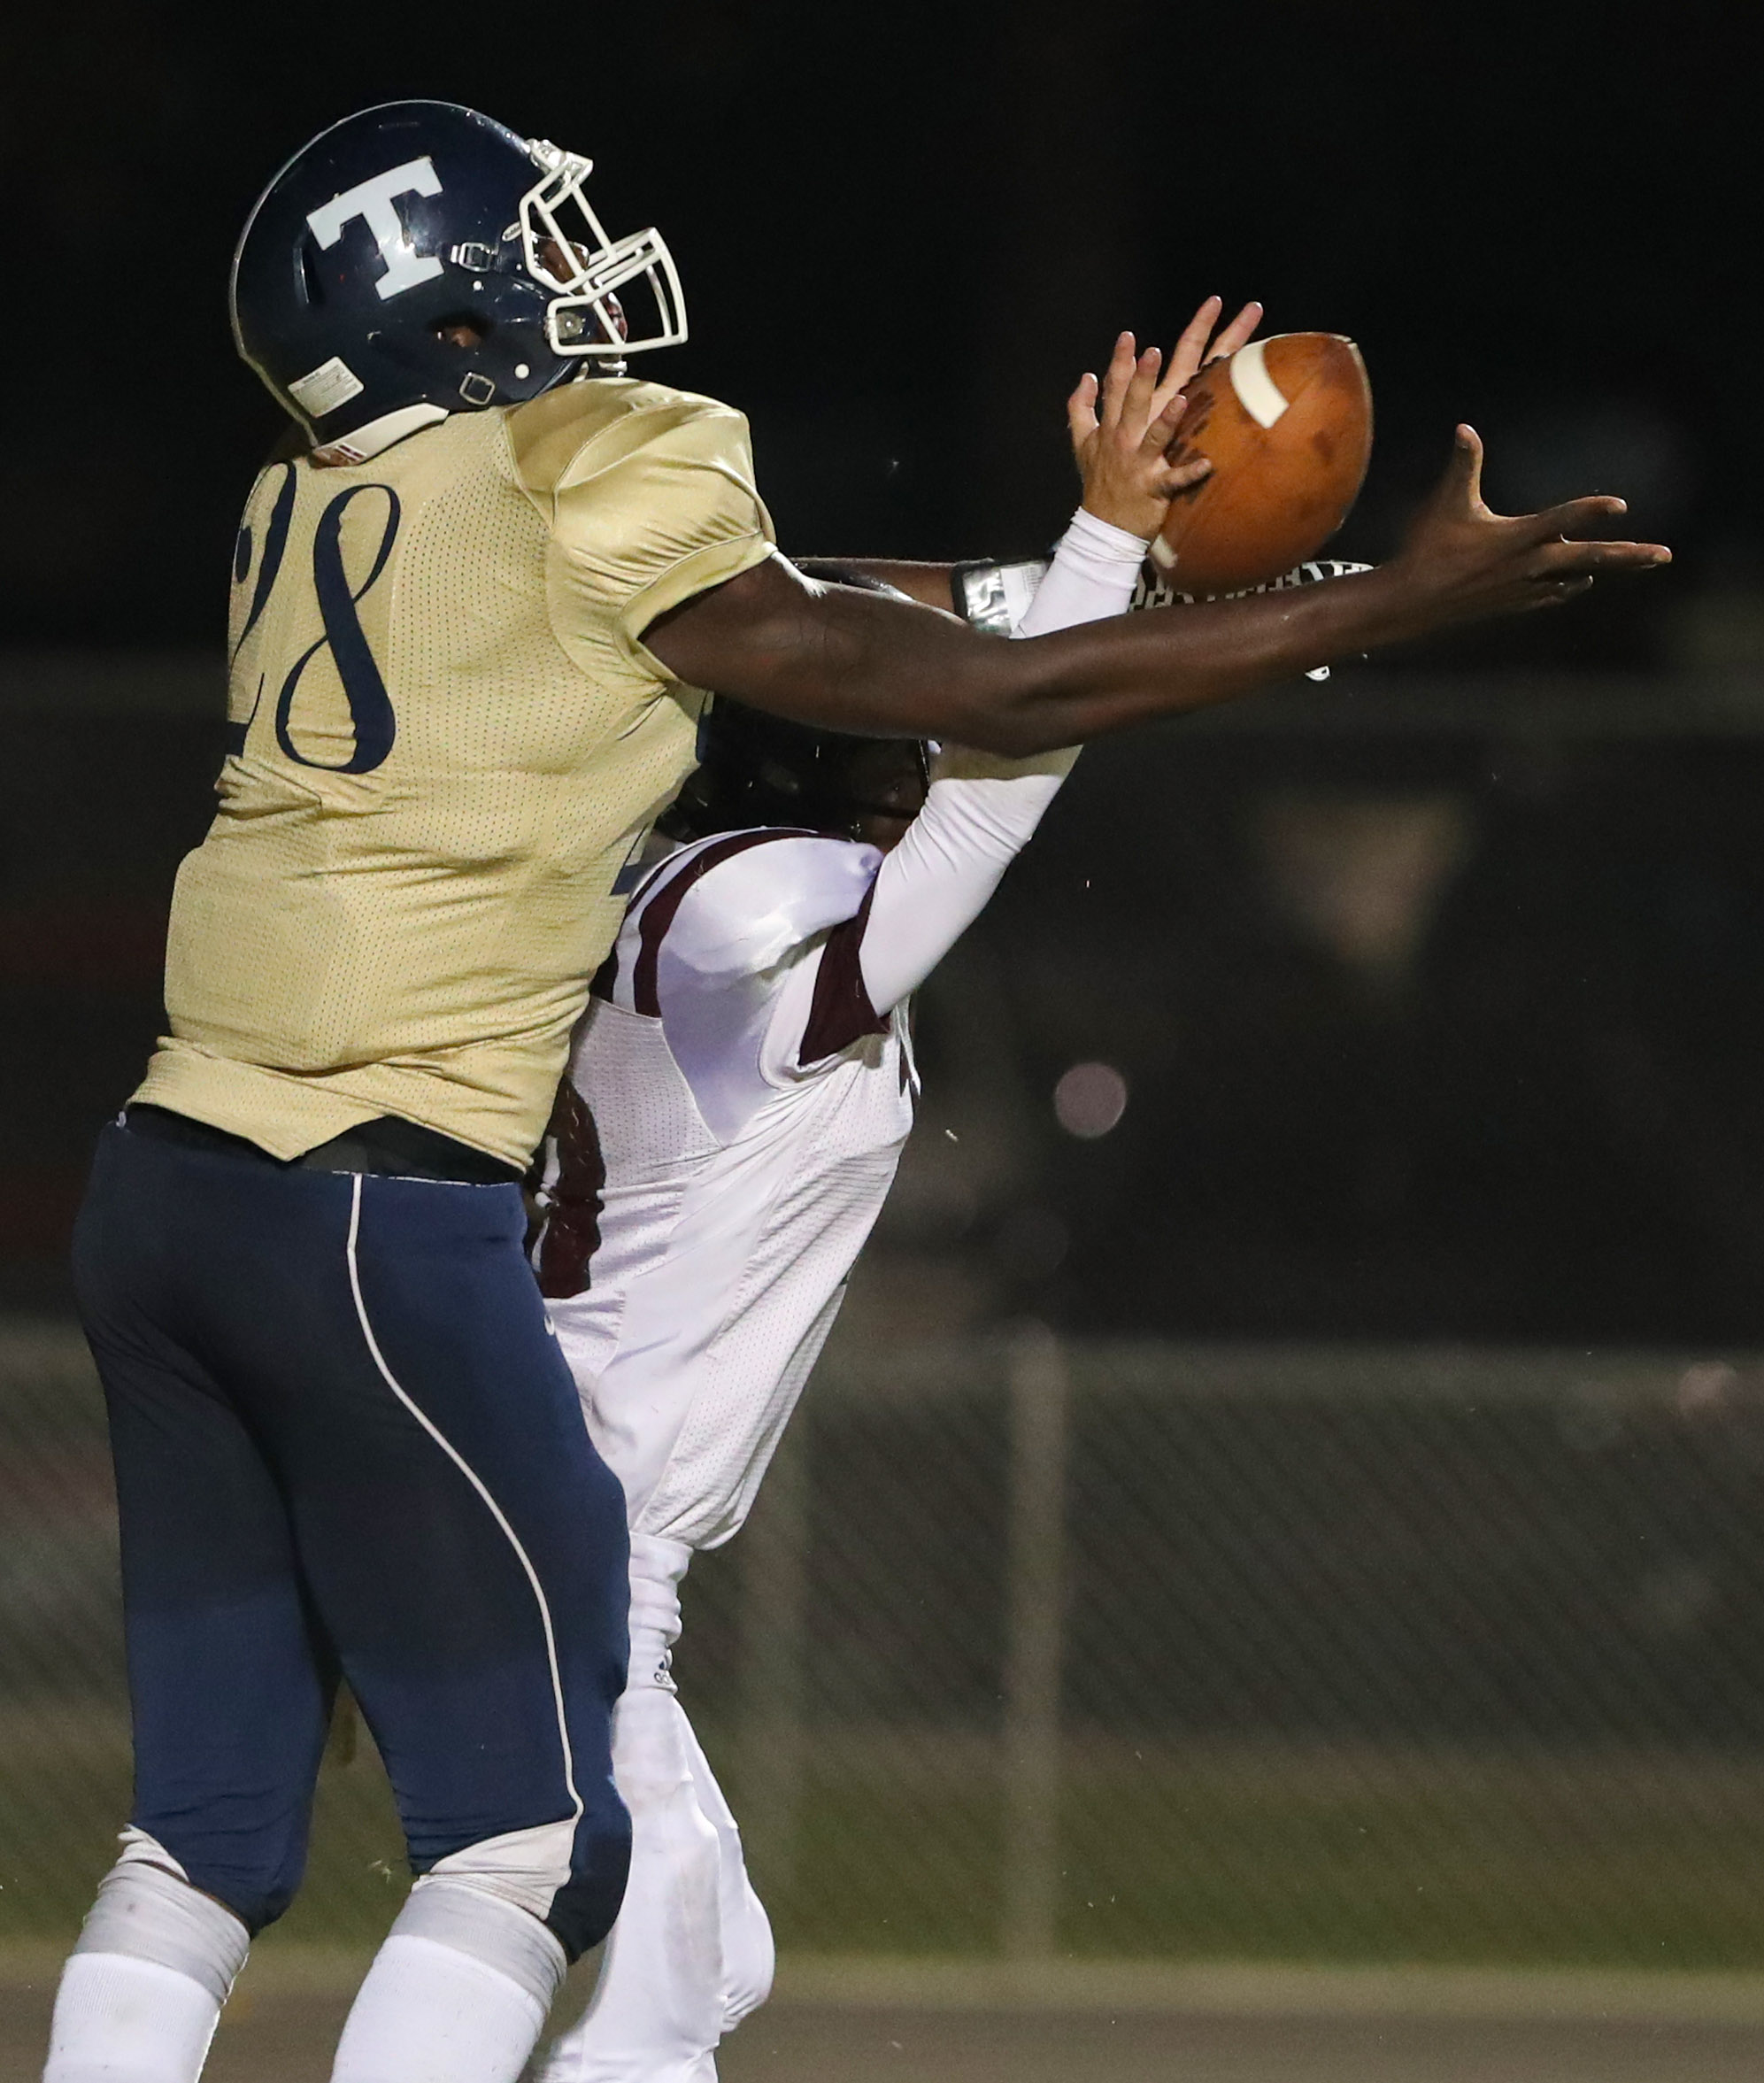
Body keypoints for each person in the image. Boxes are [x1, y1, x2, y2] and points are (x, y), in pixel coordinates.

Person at [42, 90, 1667, 2083]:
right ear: (444, 320)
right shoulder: (734, 836)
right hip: (377, 1225)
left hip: (166, 1191)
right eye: (527, 256)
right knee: (533, 1845)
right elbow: (1001, 705)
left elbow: (860, 615)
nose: (573, 279)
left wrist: (1123, 557)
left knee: (209, 1834)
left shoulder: (307, 507)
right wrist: (1385, 607)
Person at [525, 333, 1238, 2082]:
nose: (927, 745)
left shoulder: (684, 874)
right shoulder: (753, 912)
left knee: (718, 1955)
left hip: (566, 1493)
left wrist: (1134, 558)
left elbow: (844, 614)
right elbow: (1003, 789)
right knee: (642, 1995)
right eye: (895, 728)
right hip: (572, 1511)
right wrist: (1099, 553)